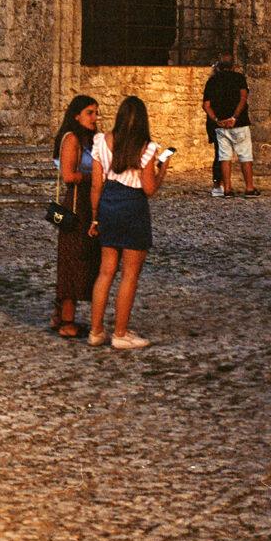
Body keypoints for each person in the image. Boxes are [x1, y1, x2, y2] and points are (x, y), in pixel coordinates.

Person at [88, 95, 170, 351]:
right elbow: (148, 189)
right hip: (133, 205)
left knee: (105, 271)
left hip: (108, 203)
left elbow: (95, 183)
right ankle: (120, 333)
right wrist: (162, 169)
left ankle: (96, 330)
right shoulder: (146, 148)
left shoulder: (102, 141)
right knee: (129, 275)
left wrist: (95, 216)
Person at [51, 94, 101, 337]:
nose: (95, 117)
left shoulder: (89, 139)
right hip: (77, 202)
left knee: (81, 257)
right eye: (90, 112)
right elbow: (69, 176)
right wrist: (97, 177)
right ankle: (67, 322)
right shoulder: (71, 139)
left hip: (86, 201)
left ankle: (60, 314)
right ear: (77, 115)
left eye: (96, 113)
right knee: (73, 258)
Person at [203, 51, 257, 196]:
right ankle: (249, 188)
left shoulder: (212, 81)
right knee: (245, 156)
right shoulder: (239, 78)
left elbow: (206, 105)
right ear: (233, 66)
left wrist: (216, 120)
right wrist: (234, 117)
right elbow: (243, 98)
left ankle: (227, 189)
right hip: (239, 123)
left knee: (224, 157)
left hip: (221, 125)